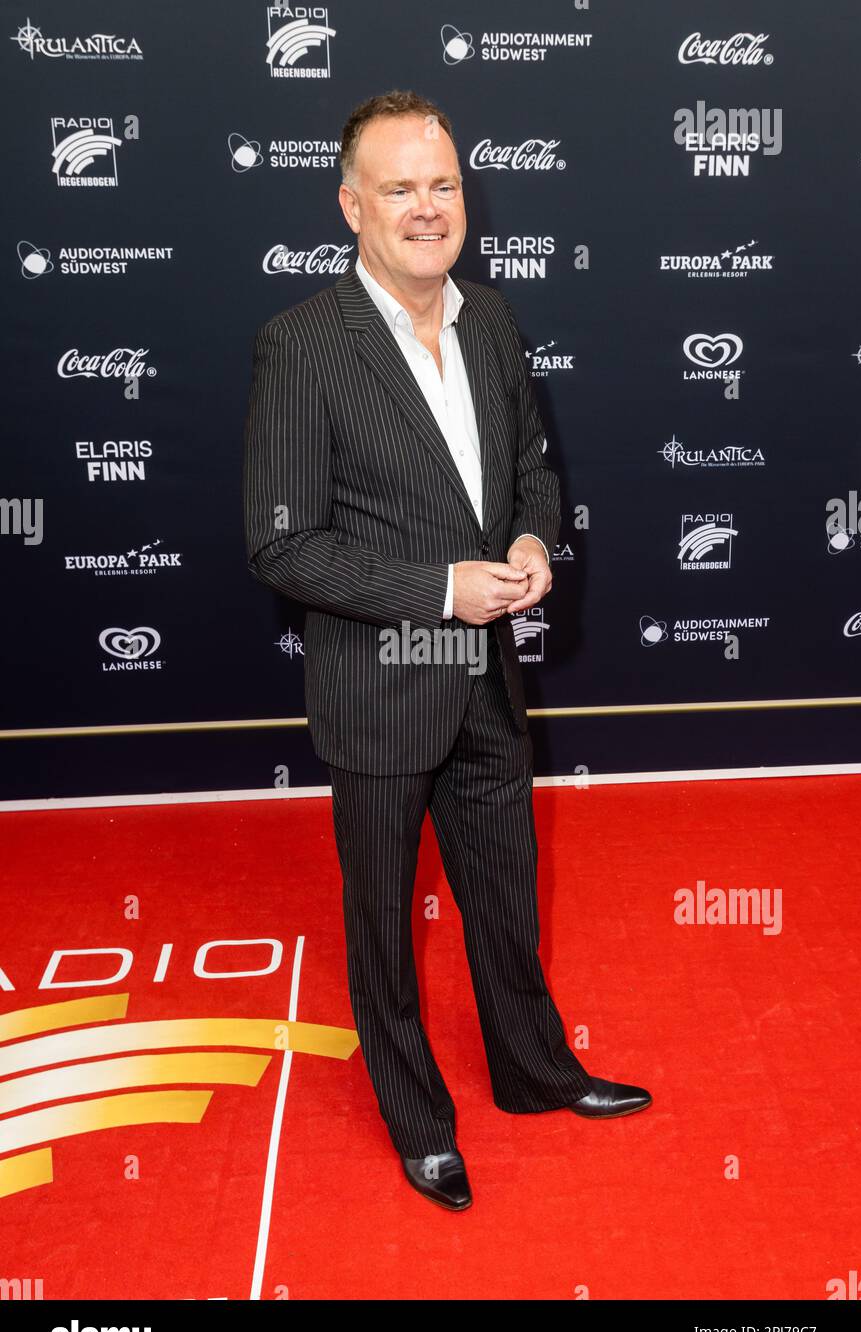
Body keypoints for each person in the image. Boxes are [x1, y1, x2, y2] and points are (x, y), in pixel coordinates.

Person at [243, 89, 651, 1212]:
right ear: (351, 207)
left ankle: (533, 1071)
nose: (428, 208)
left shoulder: (495, 323)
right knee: (381, 925)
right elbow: (282, 544)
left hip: (488, 685)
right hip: (378, 690)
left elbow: (531, 466)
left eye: (444, 184)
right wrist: (438, 587)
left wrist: (530, 533)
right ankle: (419, 1118)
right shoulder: (301, 346)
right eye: (400, 189)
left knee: (506, 894)